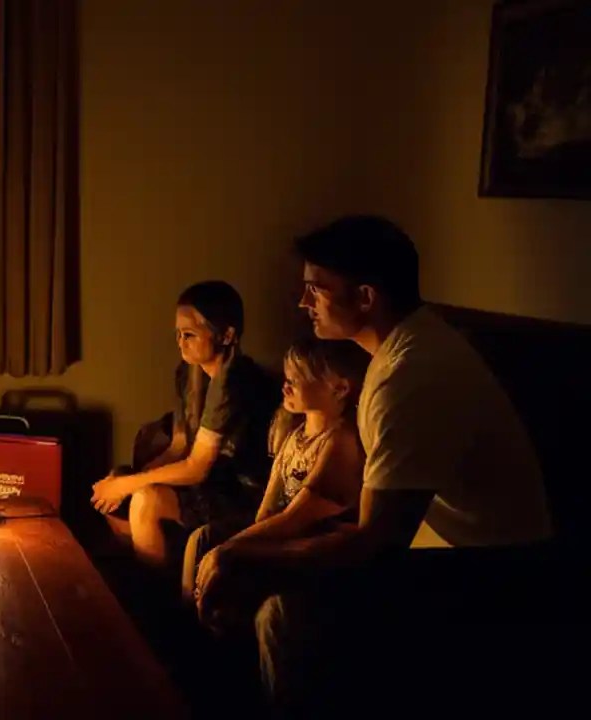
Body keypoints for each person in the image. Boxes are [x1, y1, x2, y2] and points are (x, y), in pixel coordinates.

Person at [194, 216, 555, 712]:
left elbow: (375, 542)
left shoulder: (410, 374)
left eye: (315, 290)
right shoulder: (394, 353)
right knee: (222, 546)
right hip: (430, 544)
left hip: (491, 568)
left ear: (366, 297)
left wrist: (250, 556)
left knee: (283, 612)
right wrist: (244, 546)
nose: (304, 304)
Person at [91, 281, 280, 567]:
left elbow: (198, 466)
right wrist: (123, 483)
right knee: (117, 482)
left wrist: (131, 485)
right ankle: (141, 567)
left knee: (147, 499)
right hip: (205, 481)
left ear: (227, 335)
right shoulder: (189, 373)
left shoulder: (235, 381)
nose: (181, 342)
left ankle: (153, 596)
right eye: (178, 334)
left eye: (190, 334)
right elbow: (180, 444)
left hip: (237, 490)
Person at [182, 335, 369, 606]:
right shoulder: (294, 436)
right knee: (202, 539)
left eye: (296, 379)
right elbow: (267, 509)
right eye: (286, 377)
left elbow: (297, 517)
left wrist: (232, 549)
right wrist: (241, 543)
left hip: (312, 544)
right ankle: (192, 617)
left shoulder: (340, 441)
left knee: (227, 563)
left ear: (339, 388)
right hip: (285, 533)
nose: (286, 386)